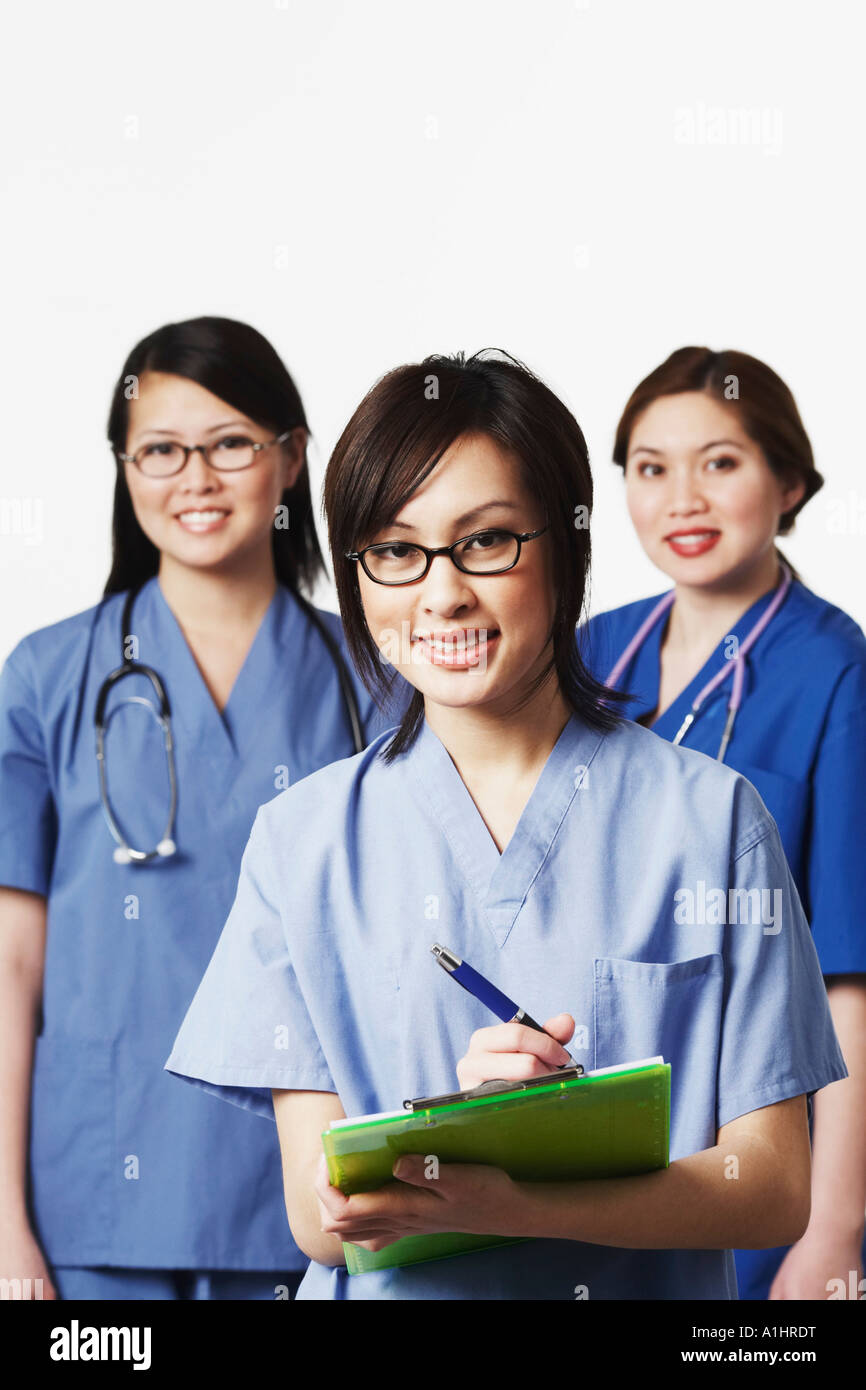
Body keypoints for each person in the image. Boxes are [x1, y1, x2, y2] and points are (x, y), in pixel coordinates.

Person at [165, 349, 845, 1301]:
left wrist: (518, 1195)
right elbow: (316, 1222)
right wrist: (444, 1145)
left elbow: (772, 1188)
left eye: (486, 542)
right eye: (396, 552)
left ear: (565, 546)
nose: (441, 593)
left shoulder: (712, 819)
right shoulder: (301, 842)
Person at [0, 316, 399, 1302]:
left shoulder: (376, 686)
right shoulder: (46, 677)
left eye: (230, 445)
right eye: (161, 450)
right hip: (93, 1190)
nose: (196, 479)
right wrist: (4, 1220)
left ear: (291, 458)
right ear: (124, 467)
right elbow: (10, 964)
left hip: (310, 1191)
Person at [579, 346, 866, 1301]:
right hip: (603, 1137)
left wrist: (831, 1232)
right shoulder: (591, 650)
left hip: (766, 1149)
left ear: (789, 481)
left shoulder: (836, 673)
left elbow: (850, 982)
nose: (681, 500)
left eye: (721, 462)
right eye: (652, 469)